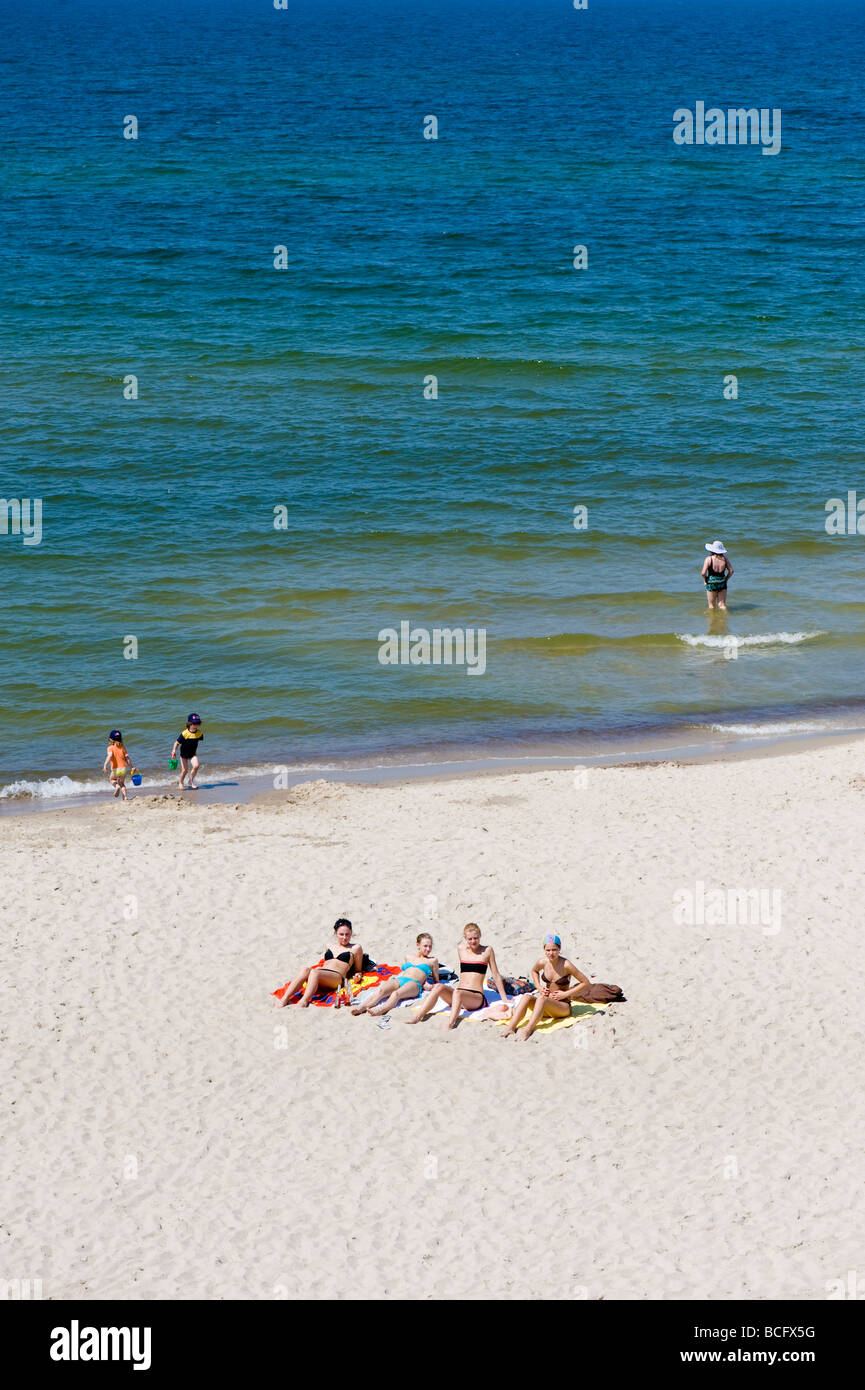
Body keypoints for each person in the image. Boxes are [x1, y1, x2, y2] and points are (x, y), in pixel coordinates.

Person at [405, 922, 509, 1029]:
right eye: (470, 939)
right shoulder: (461, 948)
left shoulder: (487, 950)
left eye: (475, 938)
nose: (473, 941)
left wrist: (504, 998)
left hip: (476, 998)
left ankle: (450, 1024)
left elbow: (495, 974)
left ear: (480, 936)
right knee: (438, 986)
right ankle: (418, 1017)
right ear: (465, 938)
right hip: (457, 995)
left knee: (458, 992)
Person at [502, 934, 593, 1040]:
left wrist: (565, 994)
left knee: (541, 999)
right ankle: (511, 1027)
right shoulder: (542, 962)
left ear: (559, 948)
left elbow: (585, 982)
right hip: (545, 1006)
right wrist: (538, 986)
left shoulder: (566, 965)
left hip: (562, 1007)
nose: (551, 953)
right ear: (544, 949)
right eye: (548, 950)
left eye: (554, 950)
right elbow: (534, 971)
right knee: (526, 997)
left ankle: (527, 1030)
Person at [275, 917, 364, 1008]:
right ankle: (284, 999)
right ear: (335, 933)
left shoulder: (355, 948)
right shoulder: (329, 945)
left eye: (347, 934)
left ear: (351, 933)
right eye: (341, 934)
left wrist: (358, 976)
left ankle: (304, 1001)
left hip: (337, 978)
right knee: (305, 969)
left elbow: (358, 970)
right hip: (322, 974)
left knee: (315, 972)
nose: (344, 938)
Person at [351, 932, 439, 1016]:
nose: (428, 949)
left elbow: (436, 982)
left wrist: (427, 984)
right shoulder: (408, 957)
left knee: (396, 994)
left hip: (414, 983)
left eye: (430, 946)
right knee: (381, 991)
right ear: (418, 945)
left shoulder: (432, 961)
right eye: (425, 946)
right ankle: (361, 1008)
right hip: (400, 979)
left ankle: (381, 1009)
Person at [171, 713, 203, 789]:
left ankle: (190, 781)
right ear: (189, 724)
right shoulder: (184, 733)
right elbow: (177, 742)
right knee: (185, 771)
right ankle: (181, 782)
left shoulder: (199, 733)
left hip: (192, 754)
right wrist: (174, 750)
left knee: (196, 766)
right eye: (194, 723)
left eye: (198, 723)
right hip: (184, 754)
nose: (196, 725)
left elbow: (197, 741)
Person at [701, 540, 733, 611]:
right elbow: (731, 571)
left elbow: (703, 573)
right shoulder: (725, 559)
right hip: (722, 582)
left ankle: (712, 621)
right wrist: (726, 580)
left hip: (711, 583)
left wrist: (705, 580)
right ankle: (725, 618)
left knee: (711, 605)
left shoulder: (709, 559)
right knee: (722, 605)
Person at [103, 729, 133, 801]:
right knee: (122, 783)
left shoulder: (110, 748)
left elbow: (109, 756)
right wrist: (132, 767)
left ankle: (116, 787)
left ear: (110, 740)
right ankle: (125, 797)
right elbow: (127, 759)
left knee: (112, 779)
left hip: (115, 770)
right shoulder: (123, 748)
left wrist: (105, 765)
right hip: (123, 769)